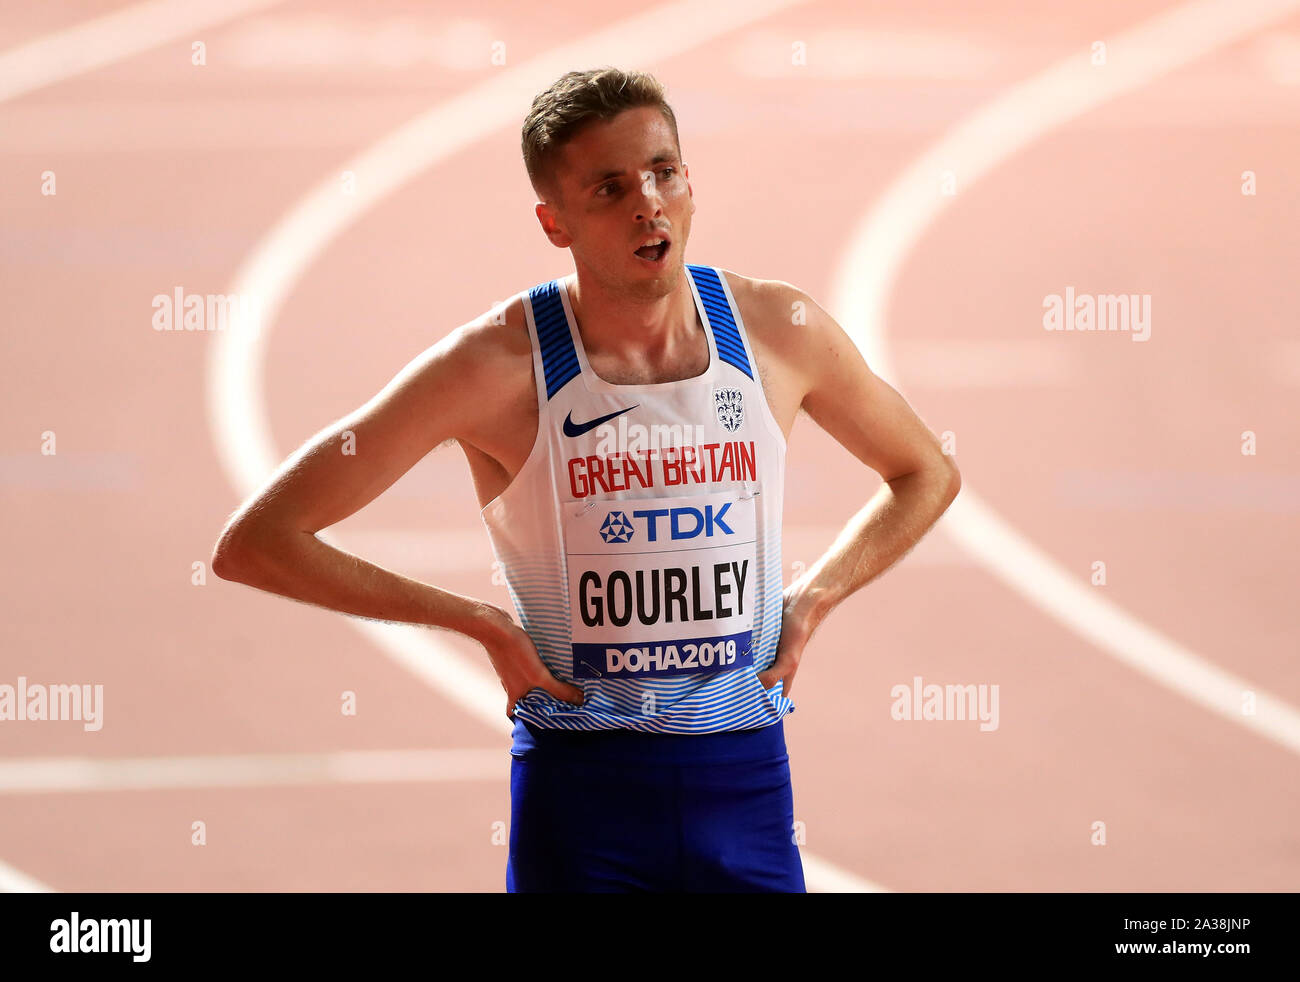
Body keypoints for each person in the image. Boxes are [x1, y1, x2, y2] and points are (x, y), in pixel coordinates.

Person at [211, 66, 961, 892]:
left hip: (744, 780)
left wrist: (816, 596)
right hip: (582, 795)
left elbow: (924, 471)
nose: (648, 203)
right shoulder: (495, 366)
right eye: (610, 187)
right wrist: (481, 623)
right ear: (553, 222)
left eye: (663, 171)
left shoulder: (777, 332)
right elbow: (259, 543)